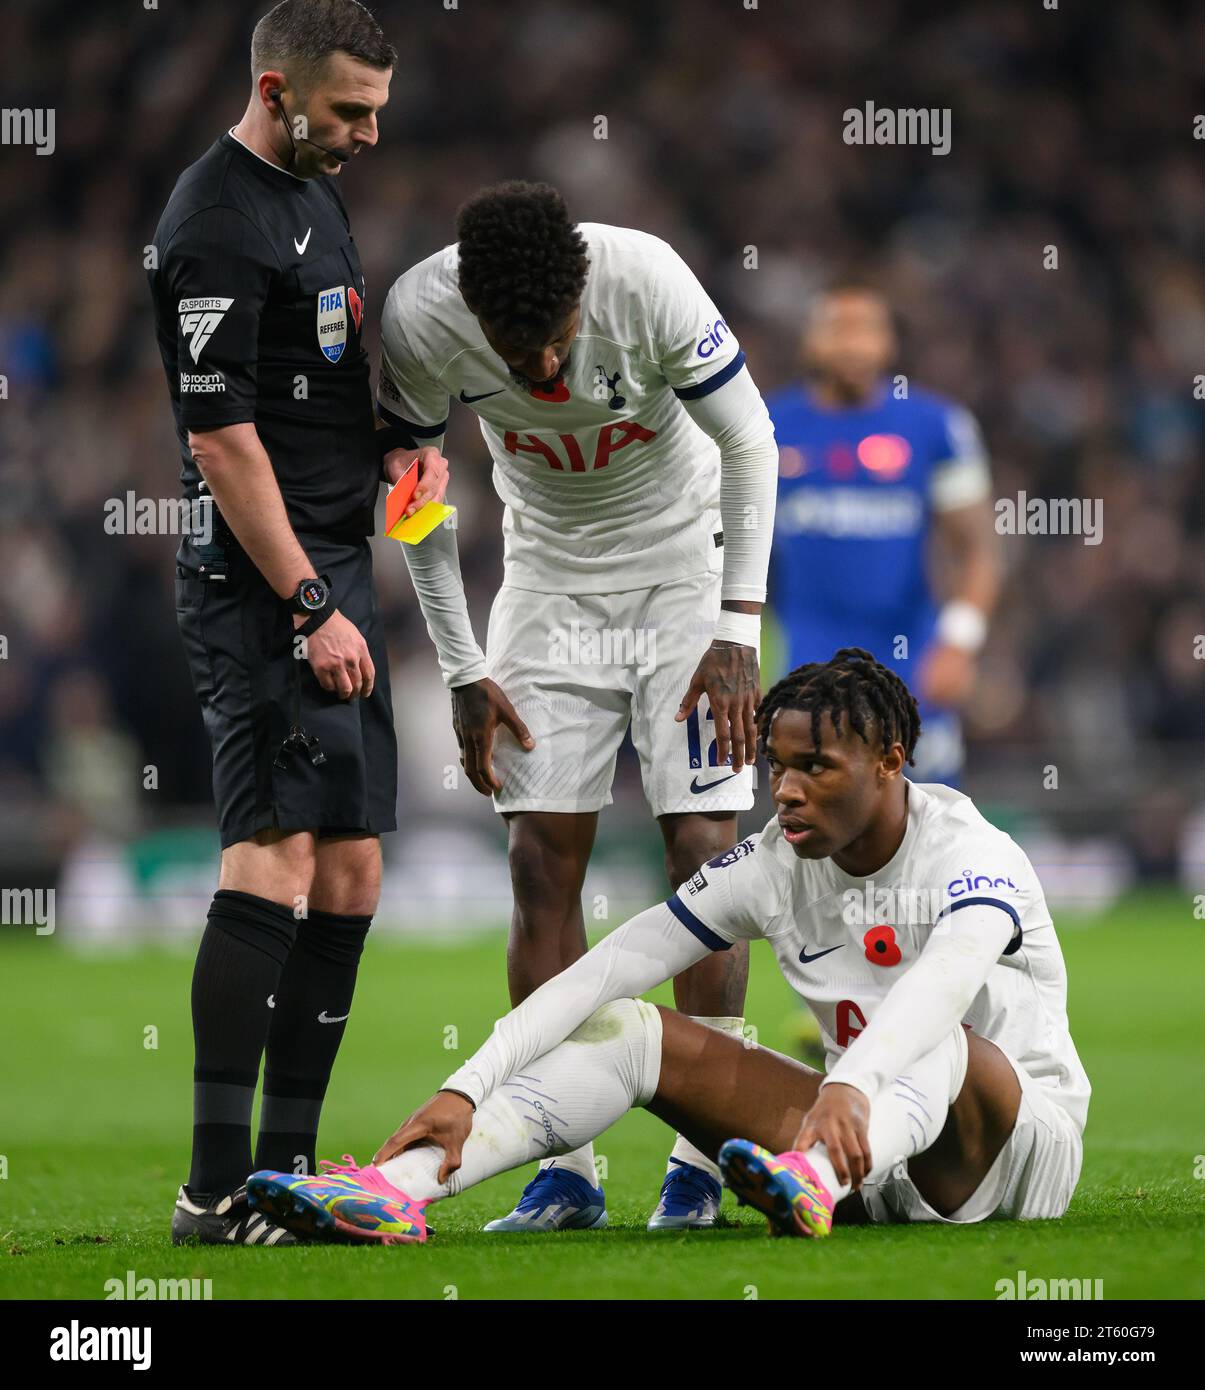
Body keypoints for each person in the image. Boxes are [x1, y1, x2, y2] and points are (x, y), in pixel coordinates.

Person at [246, 649, 1090, 1244]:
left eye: (816, 767)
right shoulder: (772, 862)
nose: (785, 791)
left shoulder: (971, 854)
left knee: (931, 1031)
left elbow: (943, 982)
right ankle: (397, 1192)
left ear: (889, 761)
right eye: (775, 767)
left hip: (1008, 1156)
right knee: (627, 1027)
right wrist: (464, 1086)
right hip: (856, 1143)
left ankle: (815, 1180)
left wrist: (854, 1085)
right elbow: (610, 965)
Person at [373, 180, 780, 1230]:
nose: (542, 371)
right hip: (547, 580)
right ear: (473, 316)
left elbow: (750, 440)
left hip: (684, 570)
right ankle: (567, 1167)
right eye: (516, 353)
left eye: (554, 341)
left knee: (701, 845)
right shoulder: (420, 318)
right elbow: (415, 488)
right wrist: (461, 664)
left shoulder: (643, 278)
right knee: (538, 860)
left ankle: (706, 1153)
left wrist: (736, 628)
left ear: (581, 293)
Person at [148, 0, 447, 1245]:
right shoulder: (214, 223)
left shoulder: (314, 195)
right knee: (271, 851)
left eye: (377, 108)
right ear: (275, 89)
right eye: (348, 111)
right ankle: (215, 1187)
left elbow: (311, 383)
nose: (369, 132)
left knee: (354, 862)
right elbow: (221, 438)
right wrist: (311, 602)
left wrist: (399, 444)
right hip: (265, 581)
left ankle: (284, 1173)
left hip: (333, 562)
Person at [766, 285, 1001, 787]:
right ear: (810, 341)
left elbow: (979, 549)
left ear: (889, 342)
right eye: (838, 329)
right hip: (805, 650)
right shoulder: (765, 425)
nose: (852, 344)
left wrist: (959, 642)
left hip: (910, 651)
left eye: (866, 329)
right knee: (817, 801)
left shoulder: (936, 426)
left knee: (928, 805)